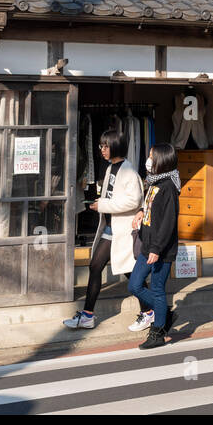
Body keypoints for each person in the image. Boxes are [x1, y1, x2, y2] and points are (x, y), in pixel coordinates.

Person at [64, 128, 143, 330]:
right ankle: (88, 315)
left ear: (116, 146)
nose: (102, 149)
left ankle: (150, 311)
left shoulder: (129, 171)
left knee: (128, 272)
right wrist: (100, 202)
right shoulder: (110, 168)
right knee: (98, 267)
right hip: (110, 228)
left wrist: (104, 205)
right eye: (101, 145)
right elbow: (114, 197)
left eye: (105, 145)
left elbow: (134, 201)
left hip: (121, 229)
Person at [129, 142, 181, 349]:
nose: (148, 159)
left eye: (151, 155)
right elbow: (150, 206)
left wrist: (156, 249)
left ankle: (158, 333)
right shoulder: (154, 182)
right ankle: (163, 313)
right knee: (134, 285)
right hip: (148, 244)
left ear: (162, 159)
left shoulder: (168, 187)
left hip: (160, 249)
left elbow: (168, 223)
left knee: (158, 289)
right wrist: (141, 212)